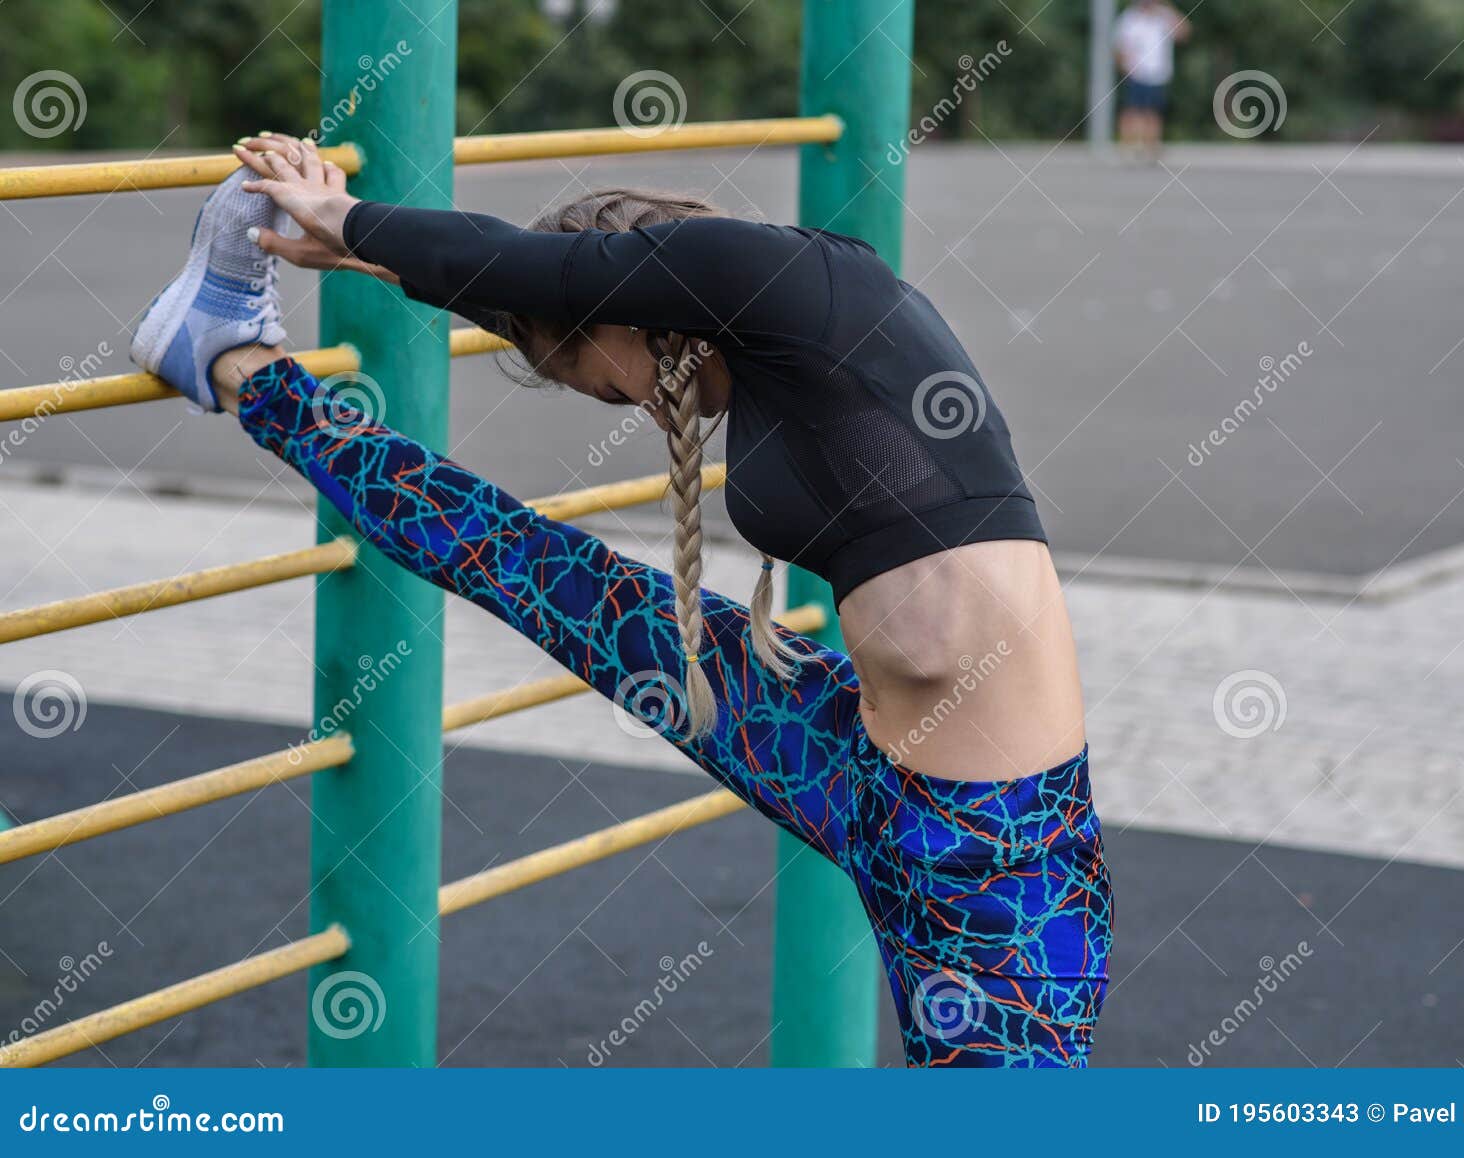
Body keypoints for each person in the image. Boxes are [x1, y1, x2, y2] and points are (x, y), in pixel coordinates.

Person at [130, 133, 1114, 1067]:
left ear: (635, 301)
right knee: (520, 560)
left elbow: (546, 278)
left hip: (1000, 854)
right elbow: (550, 303)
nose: (632, 408)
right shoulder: (753, 339)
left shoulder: (791, 277)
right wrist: (364, 260)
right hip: (856, 758)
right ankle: (229, 356)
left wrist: (350, 218)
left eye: (601, 387)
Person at [1113, 0, 1190, 157]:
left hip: (1158, 74)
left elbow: (1184, 33)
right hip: (1136, 73)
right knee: (1133, 111)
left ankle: (1150, 149)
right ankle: (1129, 148)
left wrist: (1168, 9)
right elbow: (1119, 46)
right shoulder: (1128, 18)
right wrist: (1125, 68)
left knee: (1153, 112)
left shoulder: (1163, 16)